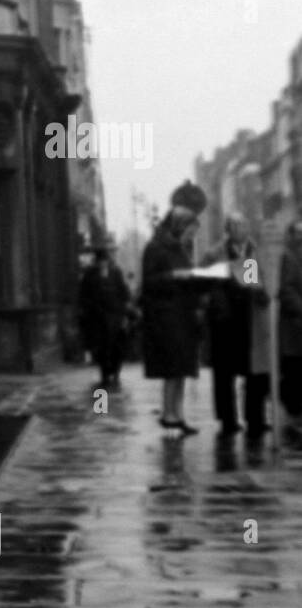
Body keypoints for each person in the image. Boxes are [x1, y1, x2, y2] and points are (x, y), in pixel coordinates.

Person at [141, 180, 208, 435]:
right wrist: (175, 277)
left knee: (181, 369)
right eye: (190, 231)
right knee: (172, 369)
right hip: (166, 319)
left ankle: (178, 415)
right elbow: (149, 283)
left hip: (183, 316)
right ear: (180, 227)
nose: (192, 237)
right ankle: (168, 415)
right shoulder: (155, 248)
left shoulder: (180, 249)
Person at [202, 215, 270, 438]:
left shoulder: (253, 251)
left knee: (255, 372)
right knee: (224, 374)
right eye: (236, 226)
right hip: (225, 322)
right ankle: (228, 421)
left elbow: (255, 282)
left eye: (243, 226)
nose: (241, 230)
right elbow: (206, 284)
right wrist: (216, 302)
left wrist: (260, 292)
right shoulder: (215, 254)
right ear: (228, 230)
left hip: (250, 320)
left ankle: (255, 419)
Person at [77, 235, 130, 387]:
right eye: (101, 261)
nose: (103, 264)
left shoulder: (116, 273)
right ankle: (105, 374)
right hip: (97, 318)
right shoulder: (90, 274)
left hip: (114, 317)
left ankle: (115, 371)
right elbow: (84, 294)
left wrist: (123, 313)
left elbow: (123, 293)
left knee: (116, 347)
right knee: (102, 348)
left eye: (105, 261)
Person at [279, 220, 302, 440]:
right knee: (294, 373)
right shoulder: (288, 257)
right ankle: (293, 416)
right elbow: (285, 289)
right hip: (293, 328)